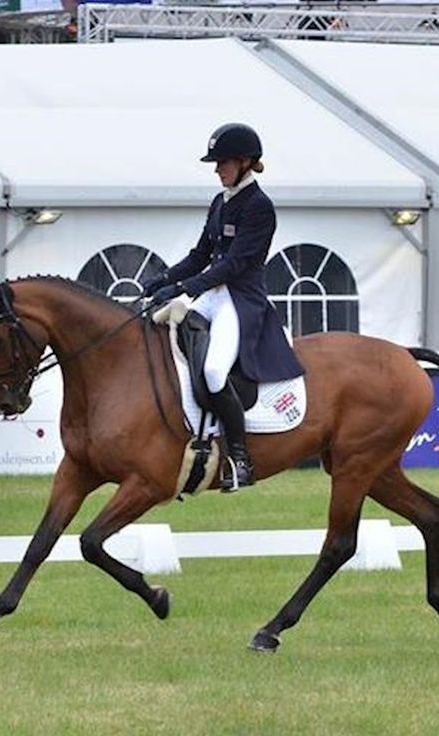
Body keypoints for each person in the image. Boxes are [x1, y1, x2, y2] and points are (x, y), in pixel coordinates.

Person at [143, 123, 304, 492]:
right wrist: (164, 280)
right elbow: (201, 255)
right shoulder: (221, 201)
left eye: (222, 163)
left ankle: (240, 458)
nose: (217, 170)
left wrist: (185, 288)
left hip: (240, 299)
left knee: (215, 371)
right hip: (212, 295)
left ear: (245, 162)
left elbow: (234, 264)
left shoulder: (259, 207)